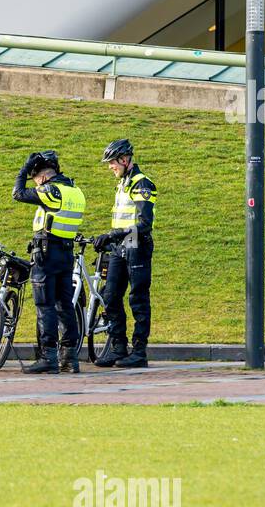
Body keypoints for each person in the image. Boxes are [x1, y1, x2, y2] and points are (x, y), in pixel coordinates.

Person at [13, 150, 86, 374]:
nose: (35, 186)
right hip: (65, 253)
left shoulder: (51, 190)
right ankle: (69, 358)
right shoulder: (75, 191)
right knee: (65, 305)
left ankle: (48, 357)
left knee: (45, 305)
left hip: (46, 254)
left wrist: (25, 168)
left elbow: (17, 193)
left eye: (36, 181)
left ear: (43, 178)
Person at [91, 138, 157, 368]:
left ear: (124, 159)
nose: (110, 167)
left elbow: (144, 223)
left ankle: (139, 352)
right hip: (120, 248)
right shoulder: (123, 184)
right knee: (109, 297)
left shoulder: (142, 184)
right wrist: (111, 240)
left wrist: (113, 234)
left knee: (138, 299)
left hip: (137, 247)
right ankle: (118, 347)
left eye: (112, 162)